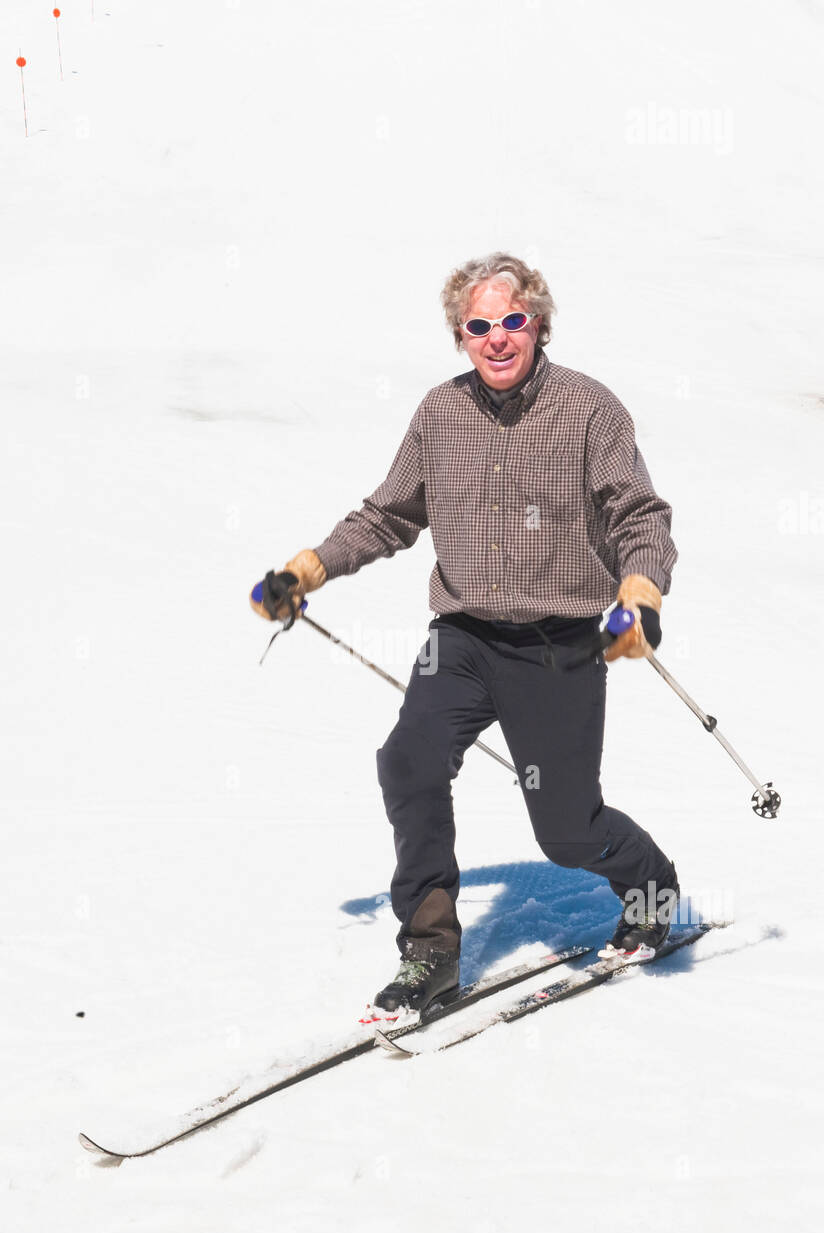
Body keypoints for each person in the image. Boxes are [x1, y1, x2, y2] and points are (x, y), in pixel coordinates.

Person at [251, 252, 679, 1014]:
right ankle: (429, 951)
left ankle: (651, 886)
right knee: (408, 762)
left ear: (538, 324)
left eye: (512, 321)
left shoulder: (590, 410)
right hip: (464, 639)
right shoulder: (439, 414)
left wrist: (639, 593)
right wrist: (308, 569)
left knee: (567, 832)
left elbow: (637, 514)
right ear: (460, 336)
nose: (497, 339)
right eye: (478, 326)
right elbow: (389, 514)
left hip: (560, 646)